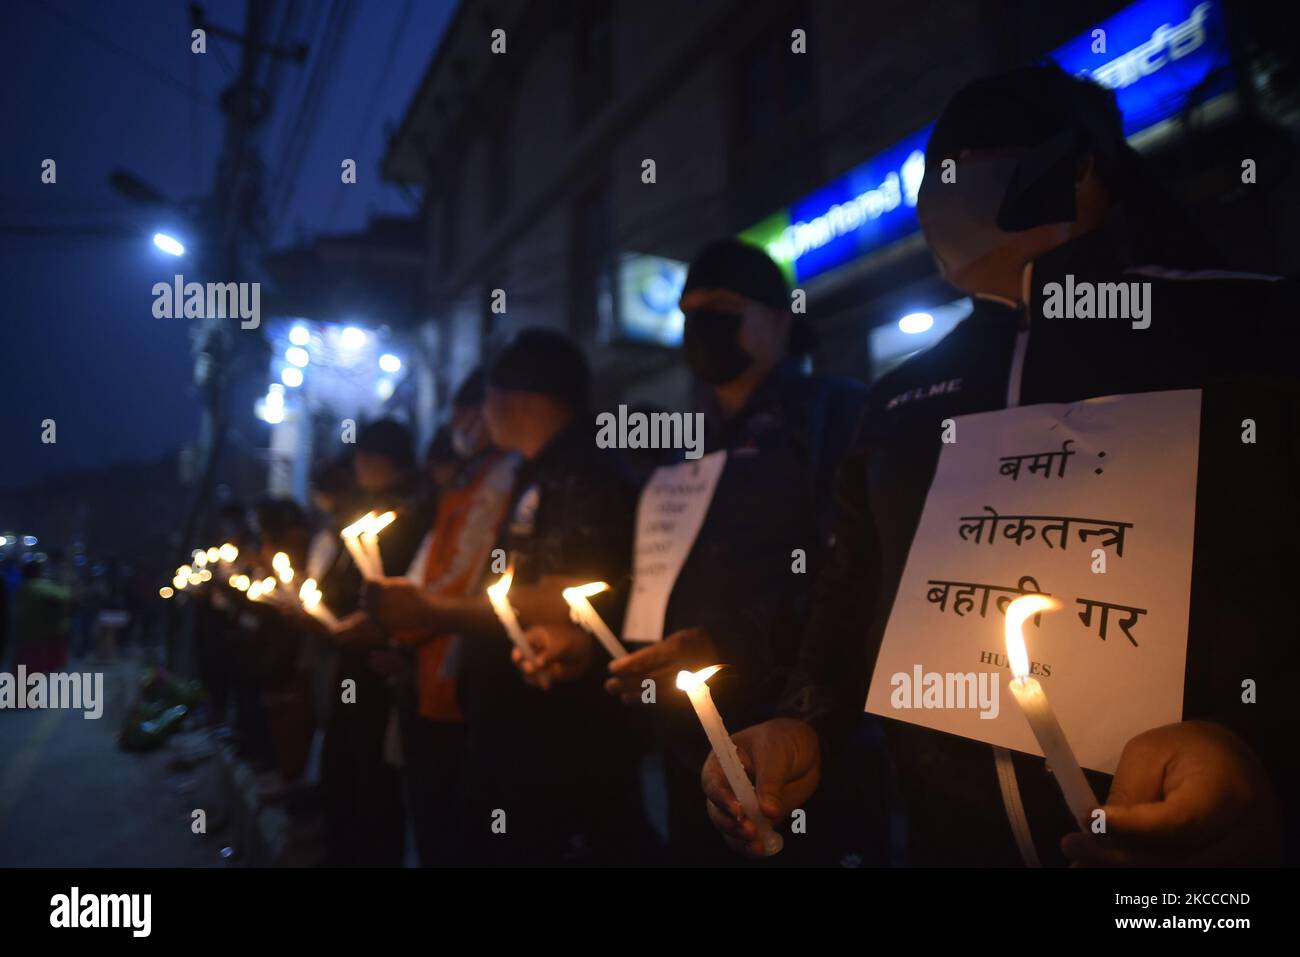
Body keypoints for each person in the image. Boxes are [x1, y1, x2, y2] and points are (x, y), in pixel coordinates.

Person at [703, 65, 1296, 867]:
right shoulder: (900, 397)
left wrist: (1268, 776)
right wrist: (803, 720)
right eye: (933, 171)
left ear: (1081, 167)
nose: (942, 189)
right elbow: (851, 591)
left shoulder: (1250, 325)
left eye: (975, 158)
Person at [513, 240, 869, 864]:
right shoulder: (686, 442)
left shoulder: (835, 414)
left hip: (798, 742)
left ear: (781, 317)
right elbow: (660, 571)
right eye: (689, 311)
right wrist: (589, 636)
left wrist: (730, 644)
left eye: (722, 307)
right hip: (685, 744)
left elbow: (856, 575)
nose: (700, 325)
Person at [365, 329, 653, 865]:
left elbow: (570, 595)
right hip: (517, 719)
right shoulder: (533, 471)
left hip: (562, 729)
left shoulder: (584, 473)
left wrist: (430, 610)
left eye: (482, 399)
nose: (470, 419)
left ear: (513, 398)